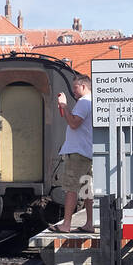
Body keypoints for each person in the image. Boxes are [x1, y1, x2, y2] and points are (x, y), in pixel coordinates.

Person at [53, 74, 93, 233]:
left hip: (78, 152)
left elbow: (74, 123)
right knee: (87, 190)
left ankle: (66, 225)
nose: (73, 91)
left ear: (84, 86)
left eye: (75, 87)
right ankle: (89, 223)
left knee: (71, 188)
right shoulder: (91, 101)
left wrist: (64, 106)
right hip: (88, 151)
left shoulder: (83, 102)